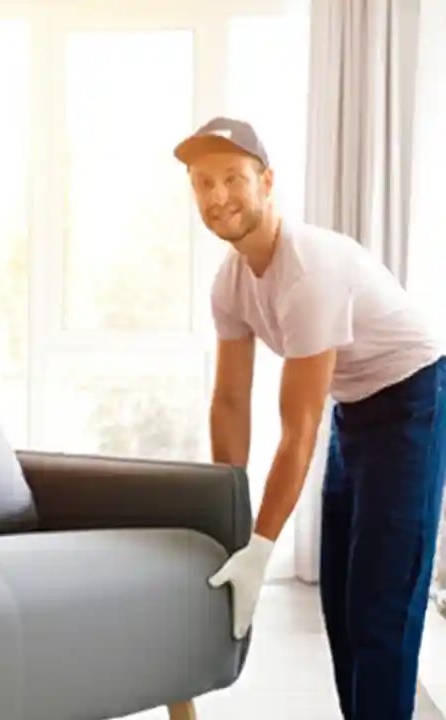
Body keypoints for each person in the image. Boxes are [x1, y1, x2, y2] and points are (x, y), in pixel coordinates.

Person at [180, 117, 446, 719]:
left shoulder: (309, 272)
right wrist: (233, 521)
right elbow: (230, 401)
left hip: (413, 400)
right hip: (355, 406)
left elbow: (298, 431)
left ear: (266, 181)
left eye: (232, 178)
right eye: (203, 183)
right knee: (342, 603)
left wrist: (262, 548)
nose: (218, 196)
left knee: (382, 601)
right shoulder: (230, 283)